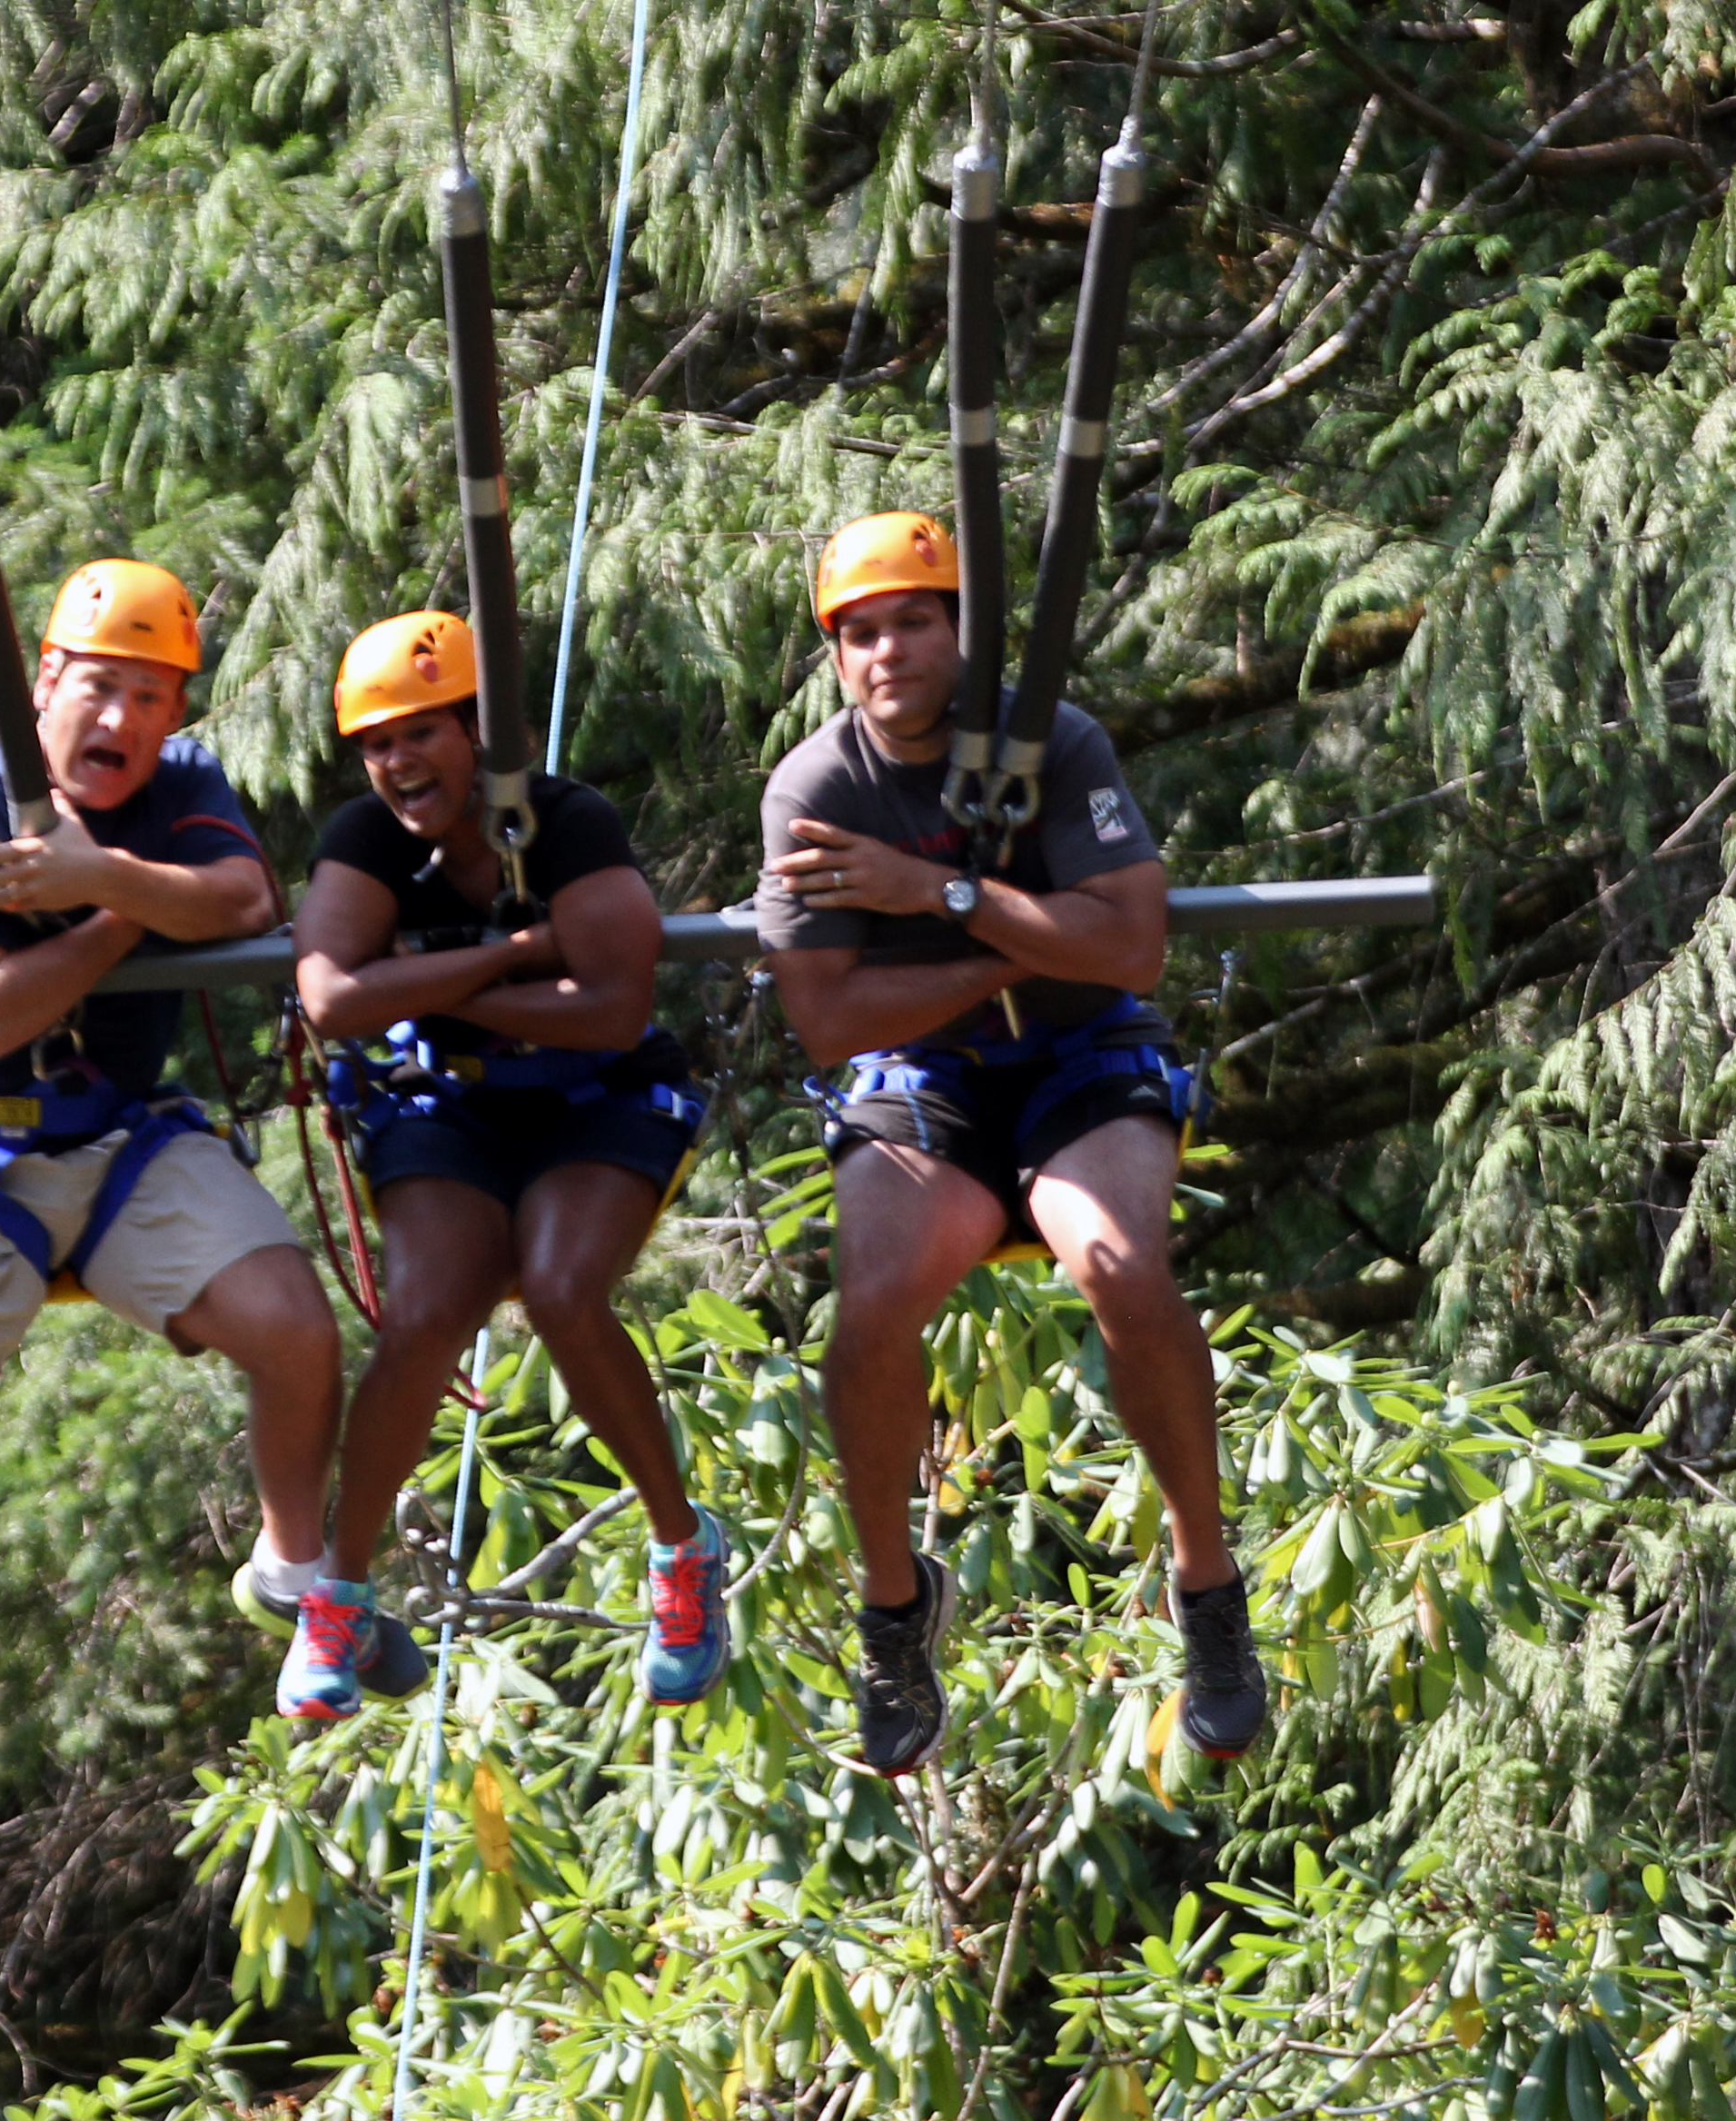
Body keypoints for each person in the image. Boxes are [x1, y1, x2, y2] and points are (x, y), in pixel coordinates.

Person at [0, 558, 414, 1738]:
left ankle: (294, 1576)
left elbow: (243, 899)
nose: (122, 721)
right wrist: (134, 913)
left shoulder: (180, 785)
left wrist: (96, 879)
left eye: (151, 699)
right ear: (44, 682)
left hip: (124, 1144)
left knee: (295, 1331)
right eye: (100, 690)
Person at [755, 512, 1267, 1776]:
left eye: (914, 623)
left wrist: (935, 898)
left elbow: (1129, 950)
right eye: (860, 633)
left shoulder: (1055, 743)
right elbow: (828, 1022)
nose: (888, 652)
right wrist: (1022, 942)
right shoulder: (815, 791)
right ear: (836, 656)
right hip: (927, 1082)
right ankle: (893, 1603)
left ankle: (1206, 1585)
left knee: (1119, 1269)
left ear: (959, 633)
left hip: (1080, 1057)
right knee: (867, 1313)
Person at [274, 610, 728, 1721]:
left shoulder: (570, 824)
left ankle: (682, 1544)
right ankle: (338, 1591)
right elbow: (333, 997)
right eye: (376, 742)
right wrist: (514, 958)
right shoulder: (371, 839)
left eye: (417, 732)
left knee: (567, 1288)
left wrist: (429, 982)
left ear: (479, 731)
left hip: (600, 1097)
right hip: (453, 1104)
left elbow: (613, 1008)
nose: (394, 762)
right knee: (426, 1308)